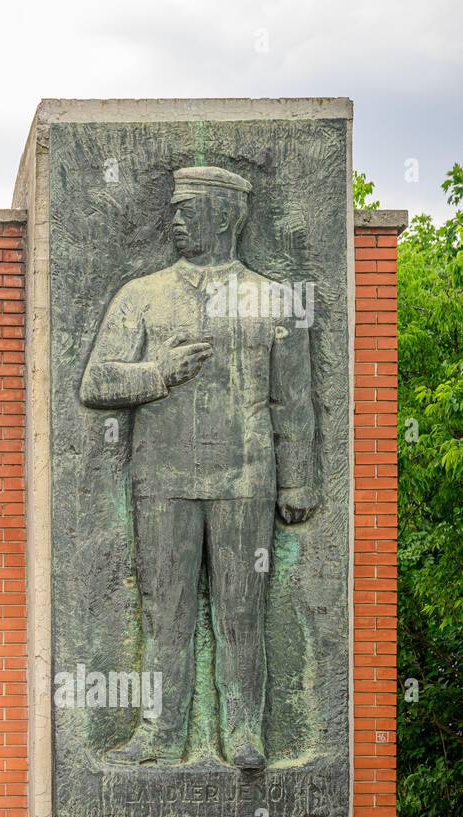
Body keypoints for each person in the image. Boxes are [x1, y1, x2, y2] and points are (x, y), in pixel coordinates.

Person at [79, 166, 317, 770]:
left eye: (189, 209)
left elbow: (293, 400)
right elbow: (96, 381)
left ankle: (245, 732)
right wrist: (157, 373)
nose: (176, 220)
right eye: (174, 209)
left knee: (241, 610)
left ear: (226, 215)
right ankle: (159, 734)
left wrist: (298, 478)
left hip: (246, 480)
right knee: (167, 613)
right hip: (162, 480)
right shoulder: (142, 295)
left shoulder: (274, 300)